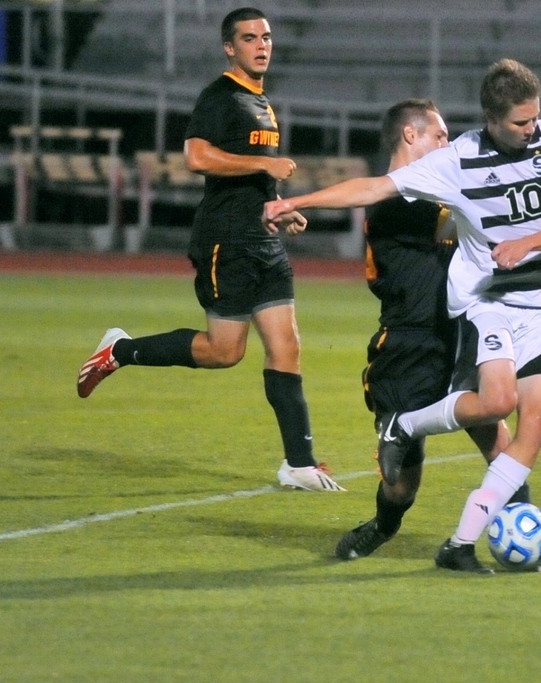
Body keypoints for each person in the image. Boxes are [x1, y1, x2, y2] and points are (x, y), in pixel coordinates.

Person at [265, 58, 541, 573]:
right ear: (410, 134)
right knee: (402, 486)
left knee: (500, 427)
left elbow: (488, 224)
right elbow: (383, 193)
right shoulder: (410, 193)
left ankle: (513, 530)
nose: (448, 143)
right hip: (410, 343)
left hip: (463, 328)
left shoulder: (446, 183)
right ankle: (383, 524)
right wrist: (298, 203)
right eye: (438, 135)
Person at [76, 7, 344, 491]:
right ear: (229, 47)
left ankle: (299, 463)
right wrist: (267, 166)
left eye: (266, 36)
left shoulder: (263, 103)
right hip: (226, 239)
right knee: (224, 352)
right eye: (249, 38)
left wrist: (279, 206)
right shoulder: (220, 96)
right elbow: (196, 156)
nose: (261, 45)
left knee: (287, 348)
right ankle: (119, 350)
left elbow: (253, 178)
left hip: (263, 239)